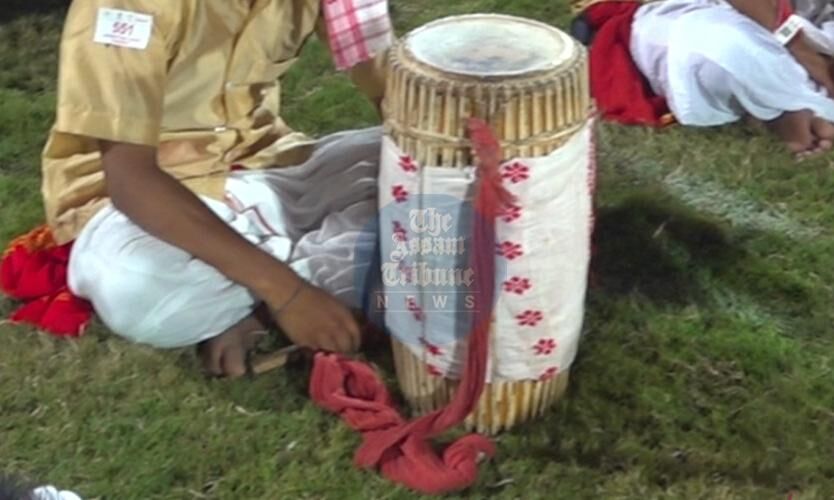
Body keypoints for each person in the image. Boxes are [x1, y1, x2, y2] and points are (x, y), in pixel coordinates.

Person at [39, 0, 392, 378]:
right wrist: (288, 292)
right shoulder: (127, 5)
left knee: (427, 169)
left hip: (270, 170)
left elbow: (396, 98)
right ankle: (314, 274)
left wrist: (425, 165)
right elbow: (130, 181)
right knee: (135, 289)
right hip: (143, 205)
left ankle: (252, 289)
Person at [584, 0, 834, 157]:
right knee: (727, 50)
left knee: (756, 57)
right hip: (706, 16)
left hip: (812, 23)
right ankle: (791, 109)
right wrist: (800, 48)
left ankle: (794, 104)